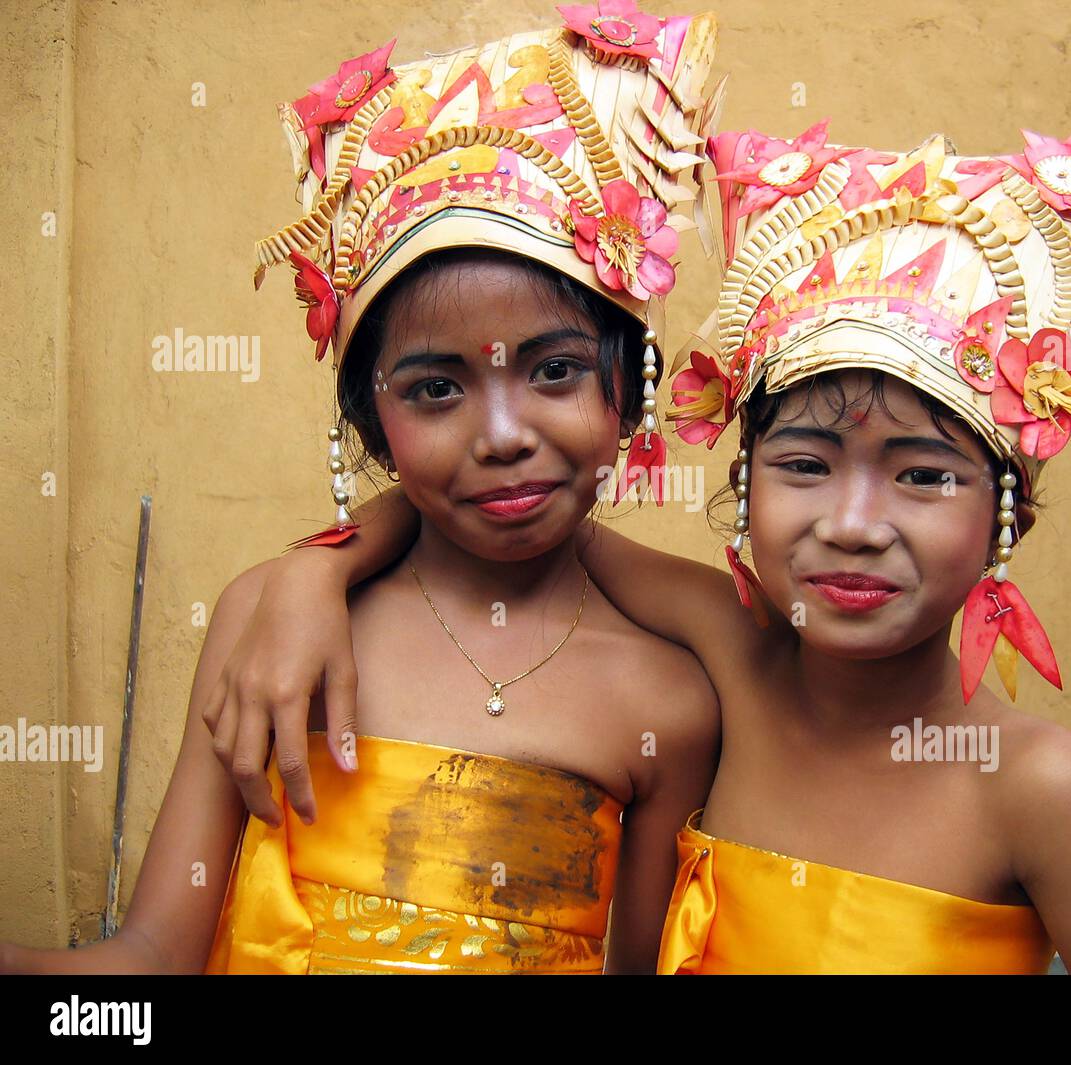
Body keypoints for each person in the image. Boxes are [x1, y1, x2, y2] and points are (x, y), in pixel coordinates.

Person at [202, 118, 1071, 972]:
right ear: (745, 487)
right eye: (804, 466)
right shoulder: (735, 660)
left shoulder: (1038, 783)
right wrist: (311, 571)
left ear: (1006, 511)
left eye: (923, 475)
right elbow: (514, 498)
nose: (851, 523)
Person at [0, 8, 726, 975]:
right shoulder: (272, 625)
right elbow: (143, 971)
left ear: (628, 381)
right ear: (372, 419)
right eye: (437, 389)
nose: (503, 435)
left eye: (553, 371)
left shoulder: (670, 700)